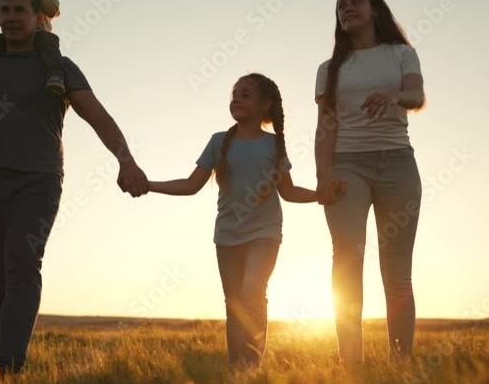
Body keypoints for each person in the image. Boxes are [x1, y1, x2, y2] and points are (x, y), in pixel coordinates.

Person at [0, 0, 148, 374]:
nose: (12, 17)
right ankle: (4, 367)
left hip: (38, 180)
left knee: (22, 264)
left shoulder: (59, 68)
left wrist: (126, 161)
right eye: (7, 11)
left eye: (20, 11)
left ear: (39, 19)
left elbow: (98, 116)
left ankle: (10, 367)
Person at [147, 73, 344, 368]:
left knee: (253, 290)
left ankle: (251, 365)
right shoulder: (218, 142)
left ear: (265, 105)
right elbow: (190, 185)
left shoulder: (274, 145)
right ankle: (236, 370)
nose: (236, 99)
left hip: (265, 234)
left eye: (245, 94)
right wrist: (148, 185)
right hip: (227, 236)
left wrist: (320, 195)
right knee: (235, 305)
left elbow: (287, 192)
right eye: (234, 94)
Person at [314, 0, 426, 364]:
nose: (347, 8)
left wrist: (392, 96)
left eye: (355, 1)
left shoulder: (402, 53)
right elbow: (325, 126)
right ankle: (351, 364)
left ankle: (401, 360)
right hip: (347, 166)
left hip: (397, 163)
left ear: (375, 10)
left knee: (397, 269)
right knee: (347, 260)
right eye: (341, 5)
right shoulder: (329, 70)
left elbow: (416, 95)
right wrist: (323, 174)